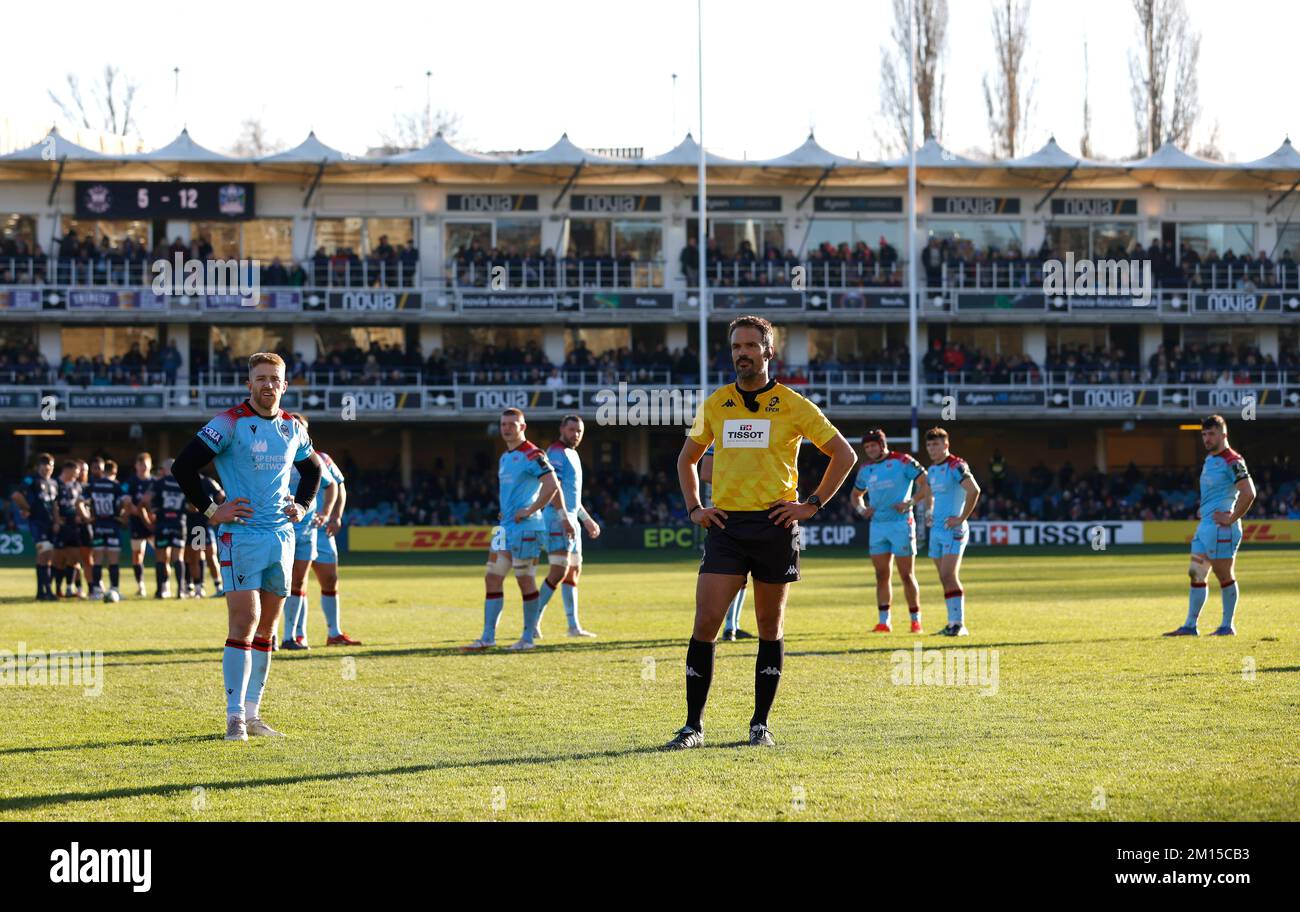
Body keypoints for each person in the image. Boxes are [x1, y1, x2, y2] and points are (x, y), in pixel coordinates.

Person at [664, 315, 856, 750]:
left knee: (769, 626)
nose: (742, 353)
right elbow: (686, 459)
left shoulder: (792, 404)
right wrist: (695, 507)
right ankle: (693, 726)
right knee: (706, 622)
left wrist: (811, 504)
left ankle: (760, 725)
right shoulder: (716, 403)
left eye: (751, 346)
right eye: (736, 347)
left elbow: (843, 454)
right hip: (727, 525)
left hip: (775, 525)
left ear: (769, 352)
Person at [170, 351, 323, 741]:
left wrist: (302, 506)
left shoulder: (292, 428)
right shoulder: (229, 423)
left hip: (281, 538)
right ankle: (234, 716)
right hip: (239, 535)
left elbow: (313, 470)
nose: (268, 385)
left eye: (275, 378)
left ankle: (254, 715)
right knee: (245, 619)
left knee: (269, 627)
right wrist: (211, 509)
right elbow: (183, 466)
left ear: (285, 385)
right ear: (248, 383)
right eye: (261, 378)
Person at [461, 408, 572, 653]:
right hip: (505, 528)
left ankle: (526, 639)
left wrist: (531, 509)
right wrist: (507, 511)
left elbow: (552, 484)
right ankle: (488, 637)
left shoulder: (533, 454)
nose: (507, 428)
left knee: (524, 580)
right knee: (492, 577)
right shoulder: (504, 457)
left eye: (512, 423)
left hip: (527, 529)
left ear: (523, 427)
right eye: (503, 424)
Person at [1164, 414, 1256, 636]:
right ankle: (1190, 626)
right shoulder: (1210, 459)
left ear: (1223, 435)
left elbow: (1249, 493)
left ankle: (1227, 626)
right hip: (1206, 526)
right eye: (1204, 434)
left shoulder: (1233, 461)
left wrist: (1231, 518)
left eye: (1211, 434)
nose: (1206, 438)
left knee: (1224, 575)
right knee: (1196, 573)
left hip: (1221, 528)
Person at [524, 415, 600, 646]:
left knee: (573, 572)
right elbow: (553, 489)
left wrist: (586, 520)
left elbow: (572, 496)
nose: (575, 434)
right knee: (558, 571)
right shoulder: (555, 453)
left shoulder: (573, 454)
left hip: (571, 520)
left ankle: (573, 626)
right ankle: (532, 622)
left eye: (579, 430)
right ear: (562, 429)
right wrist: (564, 517)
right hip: (557, 520)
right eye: (571, 430)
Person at [849, 429, 930, 633]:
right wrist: (861, 509)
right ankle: (884, 621)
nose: (869, 450)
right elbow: (855, 494)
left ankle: (915, 620)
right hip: (877, 526)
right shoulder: (865, 469)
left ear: (882, 444)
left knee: (906, 574)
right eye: (866, 447)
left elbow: (926, 482)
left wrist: (911, 502)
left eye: (872, 445)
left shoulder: (903, 461)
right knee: (881, 575)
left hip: (901, 524)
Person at [923, 428, 981, 636]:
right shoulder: (932, 470)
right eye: (929, 445)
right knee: (943, 577)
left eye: (936, 444)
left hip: (953, 529)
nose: (932, 449)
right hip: (937, 529)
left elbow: (974, 490)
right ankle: (951, 623)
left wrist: (961, 518)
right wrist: (929, 511)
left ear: (946, 445)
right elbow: (929, 493)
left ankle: (959, 624)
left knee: (949, 574)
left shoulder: (956, 466)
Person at [701, 443, 751, 640]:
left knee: (742, 577)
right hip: (730, 512)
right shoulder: (723, 431)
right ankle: (728, 626)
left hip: (749, 512)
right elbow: (706, 472)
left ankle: (733, 624)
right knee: (732, 575)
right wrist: (743, 486)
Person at [309, 451, 358, 645]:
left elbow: (339, 485)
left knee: (330, 580)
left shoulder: (323, 458)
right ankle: (292, 636)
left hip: (321, 530)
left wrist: (335, 515)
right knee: (293, 584)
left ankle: (334, 633)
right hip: (292, 529)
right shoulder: (278, 455)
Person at [10, 453, 58, 601]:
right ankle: (46, 591)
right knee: (44, 554)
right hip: (38, 523)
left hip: (50, 523)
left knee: (47, 557)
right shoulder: (31, 481)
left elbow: (55, 504)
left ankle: (41, 592)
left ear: (52, 467)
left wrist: (56, 521)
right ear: (38, 467)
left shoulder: (54, 483)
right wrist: (28, 509)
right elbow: (16, 496)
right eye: (43, 466)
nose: (46, 468)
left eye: (49, 466)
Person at [141, 459, 188, 599]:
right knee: (178, 557)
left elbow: (145, 500)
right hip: (179, 523)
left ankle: (160, 590)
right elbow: (194, 506)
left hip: (163, 523)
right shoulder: (184, 482)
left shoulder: (158, 483)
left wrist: (153, 511)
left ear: (165, 469)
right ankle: (180, 590)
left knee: (161, 558)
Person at [183, 471, 226, 598]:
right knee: (195, 557)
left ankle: (219, 587)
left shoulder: (208, 482)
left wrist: (217, 514)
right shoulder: (184, 482)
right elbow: (191, 507)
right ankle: (198, 588)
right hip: (195, 525)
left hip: (205, 524)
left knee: (211, 555)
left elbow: (222, 496)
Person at [86, 457, 123, 600]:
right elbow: (126, 502)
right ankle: (115, 589)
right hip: (112, 524)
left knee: (98, 560)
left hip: (98, 525)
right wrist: (123, 517)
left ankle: (96, 591)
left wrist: (87, 518)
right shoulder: (116, 486)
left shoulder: (93, 485)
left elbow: (80, 503)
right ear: (114, 472)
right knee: (113, 560)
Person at [52, 460, 89, 599]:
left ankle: (70, 588)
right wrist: (56, 521)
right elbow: (54, 504)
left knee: (74, 558)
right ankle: (56, 588)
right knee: (59, 559)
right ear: (67, 471)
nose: (77, 476)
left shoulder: (77, 486)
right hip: (61, 526)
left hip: (74, 526)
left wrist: (81, 516)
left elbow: (80, 504)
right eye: (75, 473)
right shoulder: (56, 484)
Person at [121, 452, 156, 597]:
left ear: (150, 466)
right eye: (140, 465)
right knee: (137, 555)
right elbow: (127, 504)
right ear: (136, 466)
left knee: (162, 554)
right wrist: (142, 516)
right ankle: (141, 586)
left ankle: (164, 585)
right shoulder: (130, 483)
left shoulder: (155, 482)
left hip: (154, 524)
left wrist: (151, 518)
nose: (142, 468)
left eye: (145, 465)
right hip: (137, 523)